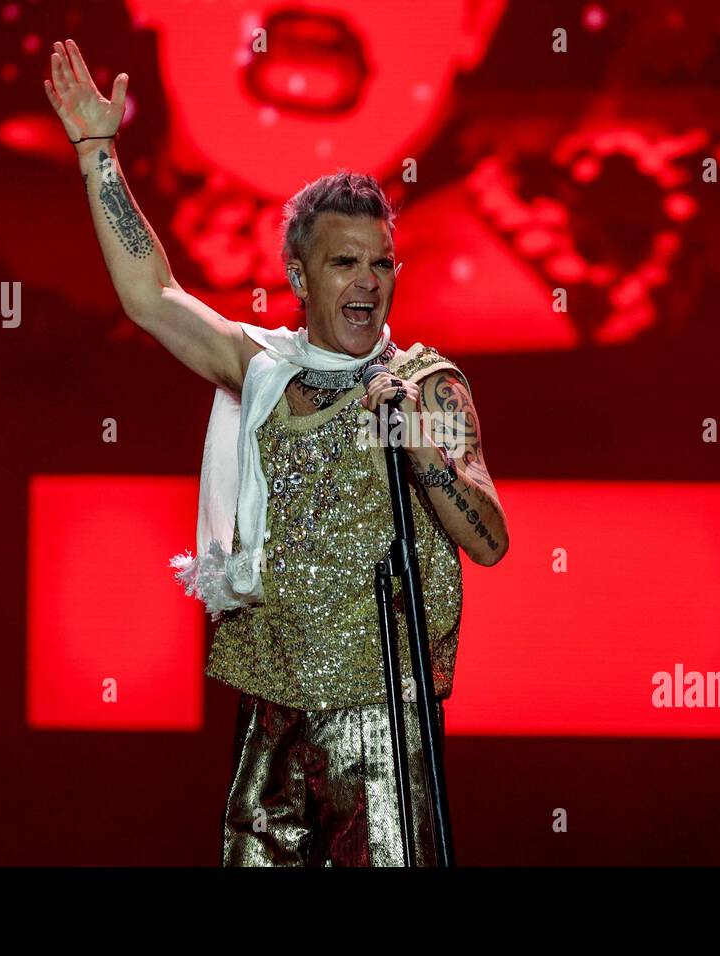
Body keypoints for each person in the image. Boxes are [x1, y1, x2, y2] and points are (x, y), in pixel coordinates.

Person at [44, 39, 509, 866]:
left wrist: (414, 442)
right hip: (271, 718)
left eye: (381, 263)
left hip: (380, 720)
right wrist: (98, 153)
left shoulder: (426, 383)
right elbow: (152, 297)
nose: (368, 281)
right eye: (344, 263)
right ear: (299, 275)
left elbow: (490, 539)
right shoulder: (262, 371)